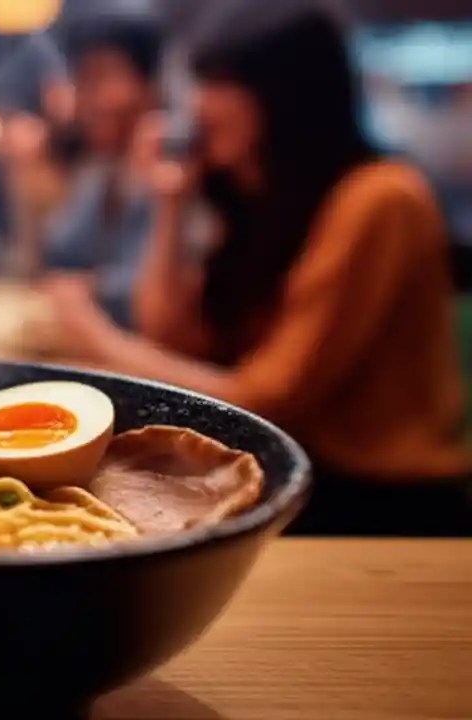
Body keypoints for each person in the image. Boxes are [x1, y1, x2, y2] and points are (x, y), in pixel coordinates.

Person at [42, 0, 470, 535]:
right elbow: (167, 332)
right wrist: (170, 203)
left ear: (289, 94)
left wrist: (90, 333)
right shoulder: (264, 198)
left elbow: (266, 400)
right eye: (201, 82)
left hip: (384, 506)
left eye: (222, 83)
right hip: (301, 479)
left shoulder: (381, 199)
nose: (198, 105)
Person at [40, 12, 164, 328]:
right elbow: (58, 252)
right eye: (82, 81)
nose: (88, 99)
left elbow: (143, 301)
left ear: (151, 83)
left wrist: (80, 293)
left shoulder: (180, 171)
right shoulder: (100, 170)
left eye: (103, 78)